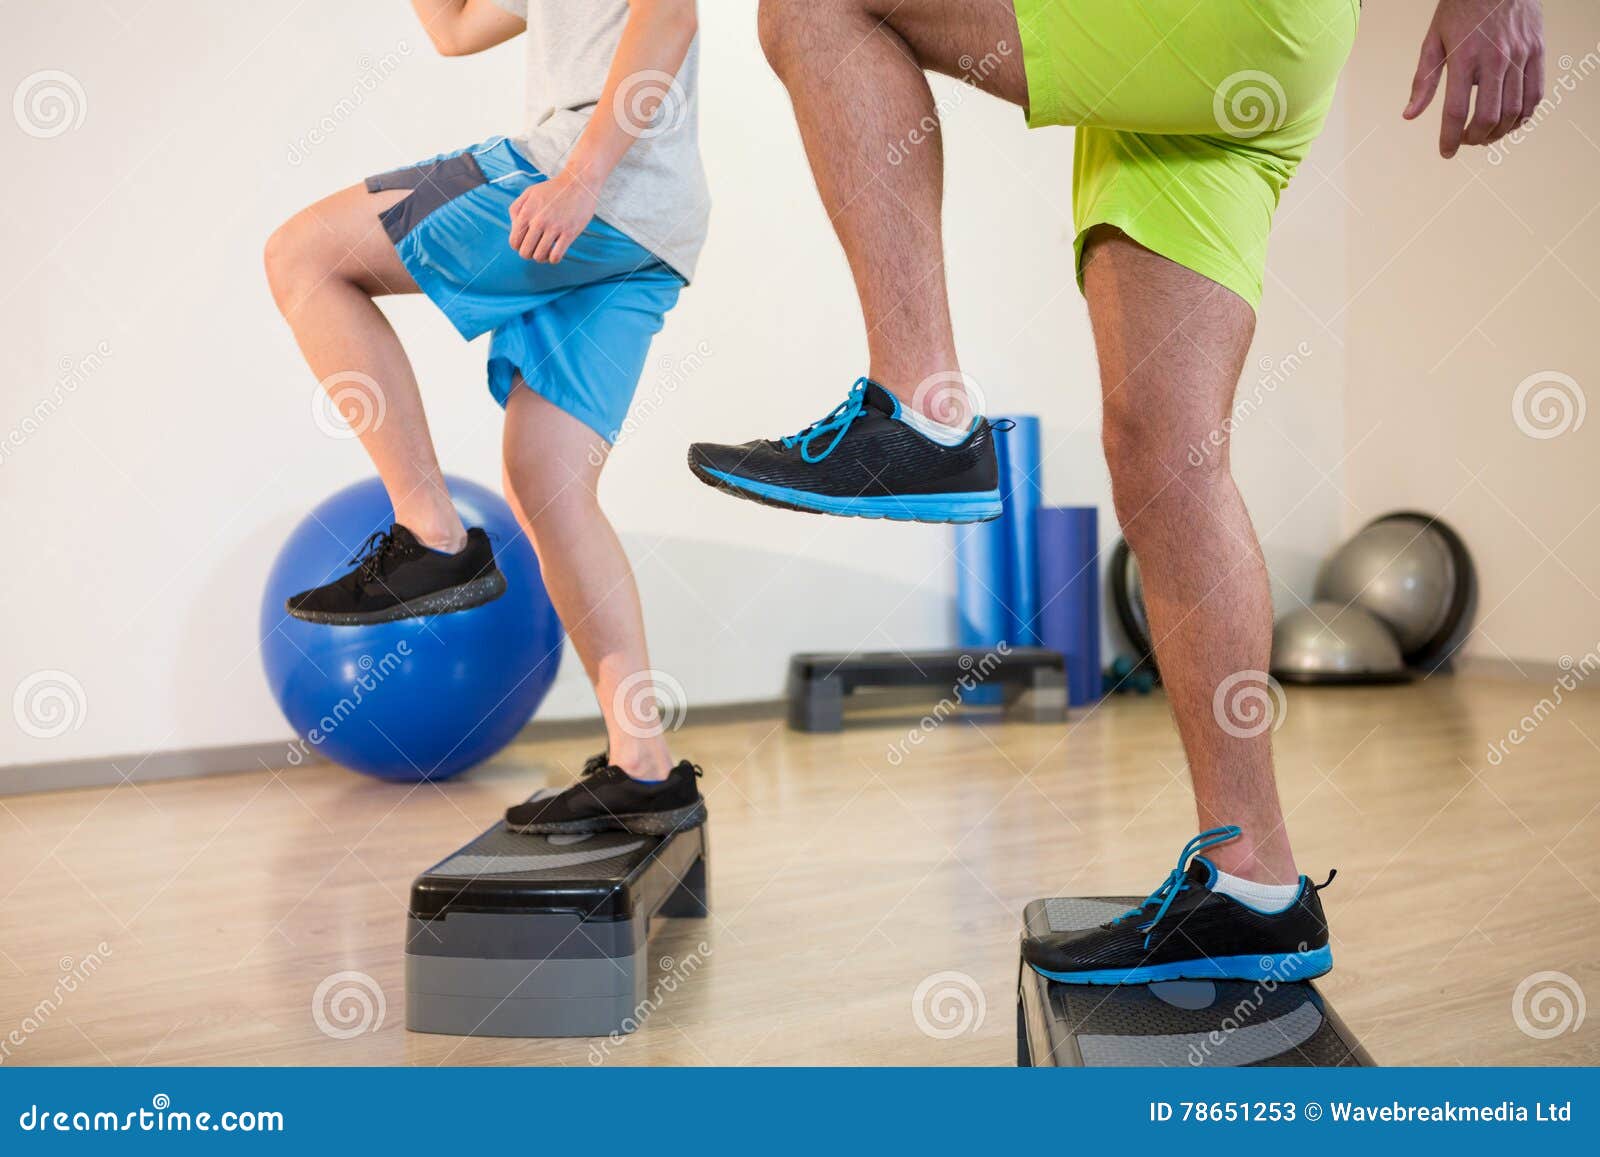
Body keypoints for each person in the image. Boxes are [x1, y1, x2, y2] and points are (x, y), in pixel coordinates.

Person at [688, 0, 1544, 982]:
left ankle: (920, 414)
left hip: (1232, 19)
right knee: (1163, 457)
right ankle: (1252, 886)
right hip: (1201, 82)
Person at [264, 0, 712, 836]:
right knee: (548, 480)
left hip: (589, 175)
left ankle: (432, 533)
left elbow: (671, 15)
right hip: (652, 221)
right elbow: (455, 28)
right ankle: (644, 765)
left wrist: (579, 177)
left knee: (302, 255)